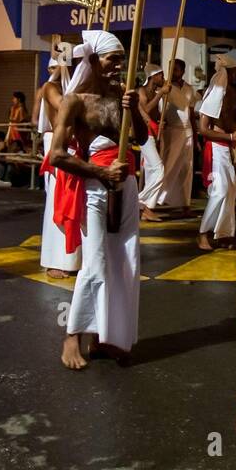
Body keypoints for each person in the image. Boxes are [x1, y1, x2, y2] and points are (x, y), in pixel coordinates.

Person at [49, 30, 146, 369]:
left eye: (122, 59)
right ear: (93, 60)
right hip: (95, 186)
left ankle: (106, 337)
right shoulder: (74, 100)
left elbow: (143, 137)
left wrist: (134, 110)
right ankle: (72, 335)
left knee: (125, 262)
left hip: (127, 185)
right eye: (112, 59)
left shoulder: (122, 95)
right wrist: (101, 174)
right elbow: (57, 155)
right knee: (95, 264)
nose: (118, 66)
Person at [37, 47, 81, 279]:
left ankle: (77, 257)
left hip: (81, 151)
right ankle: (57, 259)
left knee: (79, 204)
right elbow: (65, 106)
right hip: (61, 149)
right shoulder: (51, 87)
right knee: (59, 200)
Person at [197, 53, 236, 251]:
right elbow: (203, 129)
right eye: (235, 72)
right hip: (216, 148)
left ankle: (223, 233)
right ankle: (202, 233)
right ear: (228, 72)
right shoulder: (213, 95)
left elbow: (235, 121)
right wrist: (230, 138)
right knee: (220, 190)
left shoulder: (233, 94)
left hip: (230, 148)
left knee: (230, 190)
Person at [156, 59, 199, 215]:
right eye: (171, 69)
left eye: (176, 69)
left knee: (187, 168)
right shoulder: (165, 87)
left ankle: (185, 204)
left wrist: (195, 135)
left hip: (187, 131)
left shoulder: (189, 89)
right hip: (172, 131)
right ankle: (153, 201)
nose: (173, 72)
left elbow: (191, 114)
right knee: (167, 166)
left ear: (182, 71)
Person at [136, 62, 170, 222]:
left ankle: (147, 209)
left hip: (156, 132)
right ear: (153, 76)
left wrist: (162, 123)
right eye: (161, 75)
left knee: (152, 172)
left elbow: (156, 114)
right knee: (158, 169)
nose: (163, 78)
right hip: (145, 134)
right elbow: (146, 110)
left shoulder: (157, 92)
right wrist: (160, 94)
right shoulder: (141, 92)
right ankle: (138, 200)